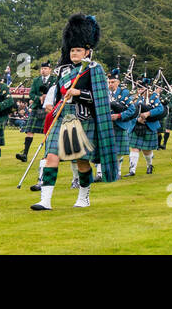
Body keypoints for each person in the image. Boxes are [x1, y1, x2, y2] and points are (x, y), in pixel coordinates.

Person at [30, 14, 122, 210]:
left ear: (87, 51)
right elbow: (56, 95)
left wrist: (79, 92)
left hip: (82, 118)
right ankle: (45, 200)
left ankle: (83, 196)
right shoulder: (63, 70)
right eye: (72, 50)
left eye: (78, 50)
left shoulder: (94, 69)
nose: (74, 53)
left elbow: (101, 98)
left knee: (82, 162)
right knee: (51, 156)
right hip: (62, 116)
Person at [17, 61, 54, 162]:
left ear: (50, 70)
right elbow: (31, 94)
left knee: (48, 132)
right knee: (29, 131)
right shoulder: (36, 80)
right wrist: (39, 98)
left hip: (49, 108)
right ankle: (24, 154)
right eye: (42, 69)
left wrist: (48, 98)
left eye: (45, 69)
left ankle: (48, 155)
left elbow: (57, 92)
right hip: (36, 108)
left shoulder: (55, 80)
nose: (43, 70)